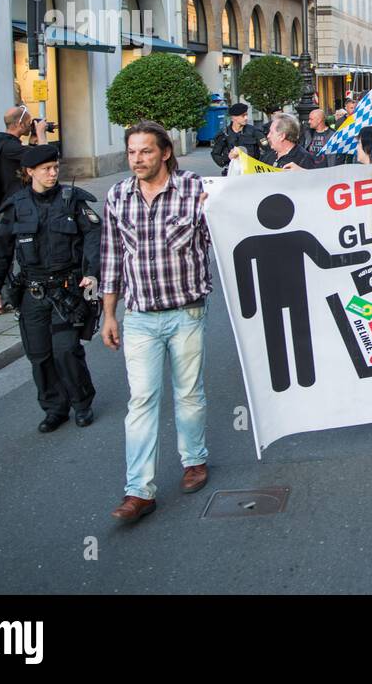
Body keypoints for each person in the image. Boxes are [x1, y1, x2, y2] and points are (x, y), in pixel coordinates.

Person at [101, 122, 213, 522]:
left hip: (186, 312)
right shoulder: (117, 196)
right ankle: (139, 491)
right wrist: (109, 313)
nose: (137, 160)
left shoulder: (195, 190)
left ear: (165, 152)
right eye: (132, 152)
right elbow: (112, 257)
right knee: (142, 401)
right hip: (140, 317)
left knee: (187, 393)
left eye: (146, 152)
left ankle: (194, 460)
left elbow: (233, 222)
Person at [0, 144, 101, 434]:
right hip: (31, 292)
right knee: (39, 354)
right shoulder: (16, 206)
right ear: (30, 172)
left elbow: (93, 237)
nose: (53, 173)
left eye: (55, 168)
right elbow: (2, 250)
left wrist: (91, 273)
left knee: (65, 349)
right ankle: (54, 408)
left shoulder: (72, 200)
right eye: (46, 169)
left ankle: (81, 403)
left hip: (66, 291)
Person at [211, 102, 269, 175]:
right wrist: (228, 158)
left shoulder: (254, 132)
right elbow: (215, 154)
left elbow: (268, 149)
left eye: (246, 115)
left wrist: (260, 165)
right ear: (234, 117)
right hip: (232, 172)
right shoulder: (224, 134)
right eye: (243, 116)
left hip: (252, 172)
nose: (246, 118)